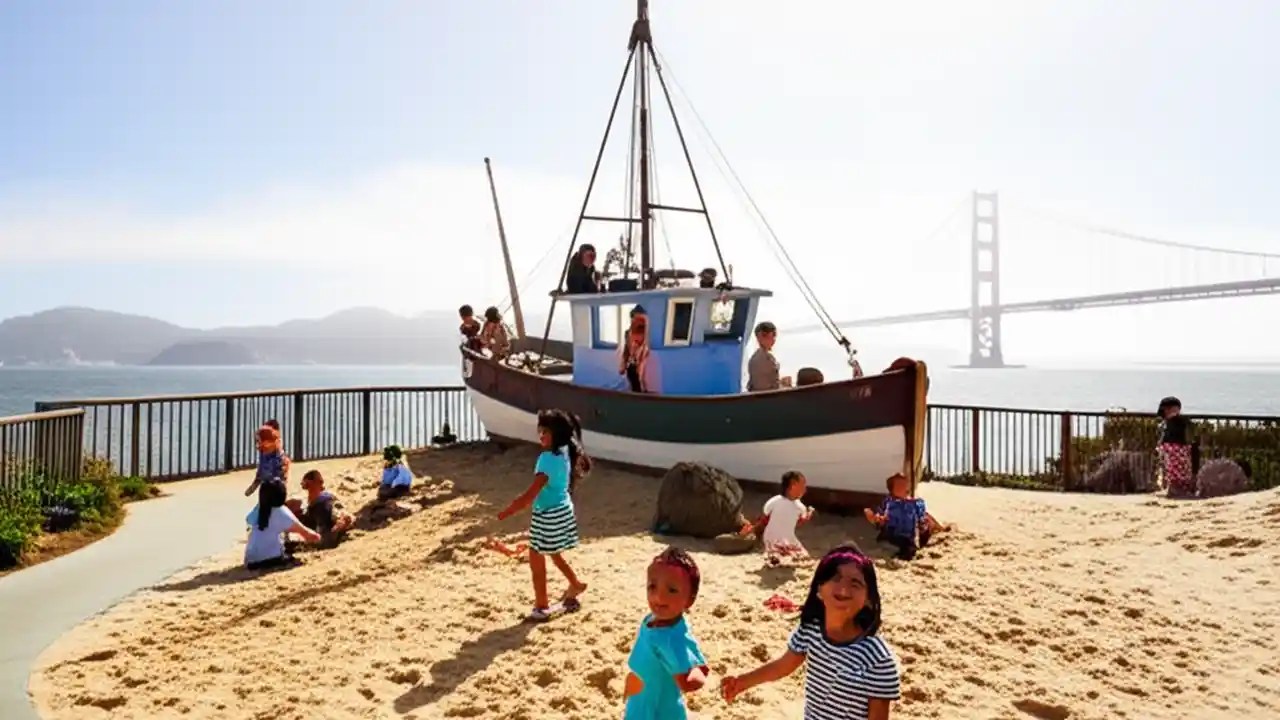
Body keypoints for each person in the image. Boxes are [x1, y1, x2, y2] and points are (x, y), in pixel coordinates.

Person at [720, 544, 901, 719]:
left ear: (869, 599)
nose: (844, 588)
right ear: (819, 589)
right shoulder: (812, 630)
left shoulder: (878, 658)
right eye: (836, 578)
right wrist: (742, 682)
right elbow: (783, 666)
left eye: (855, 583)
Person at [496, 409, 588, 622]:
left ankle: (541, 605)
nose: (541, 436)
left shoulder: (546, 460)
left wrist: (508, 511)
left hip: (548, 513)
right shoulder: (565, 451)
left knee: (536, 558)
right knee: (554, 552)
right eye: (540, 431)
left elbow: (531, 494)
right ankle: (575, 584)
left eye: (546, 432)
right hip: (563, 509)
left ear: (557, 435)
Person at [623, 547, 710, 719]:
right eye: (652, 586)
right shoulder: (655, 619)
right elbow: (690, 647)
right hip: (642, 692)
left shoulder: (669, 640)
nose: (659, 597)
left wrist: (697, 676)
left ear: (689, 600)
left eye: (671, 590)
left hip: (655, 704)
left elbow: (687, 681)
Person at [864, 473, 942, 561]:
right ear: (892, 489)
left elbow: (923, 519)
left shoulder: (915, 503)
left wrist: (924, 526)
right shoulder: (888, 503)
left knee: (910, 548)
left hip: (907, 539)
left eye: (905, 485)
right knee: (888, 542)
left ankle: (939, 529)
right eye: (900, 485)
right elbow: (881, 516)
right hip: (890, 536)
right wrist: (876, 519)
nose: (904, 488)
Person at [744, 471, 816, 565]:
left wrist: (808, 514)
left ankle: (776, 556)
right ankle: (776, 556)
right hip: (774, 537)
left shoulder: (799, 507)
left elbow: (797, 522)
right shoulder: (775, 502)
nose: (805, 490)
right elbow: (764, 520)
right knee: (790, 554)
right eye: (802, 486)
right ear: (793, 485)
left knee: (802, 556)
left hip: (785, 537)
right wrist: (752, 529)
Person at [285, 469, 354, 547]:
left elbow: (339, 512)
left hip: (326, 532)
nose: (322, 486)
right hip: (315, 529)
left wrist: (342, 521)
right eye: (320, 482)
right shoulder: (302, 502)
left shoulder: (326, 498)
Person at [244, 503, 321, 570]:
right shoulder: (280, 510)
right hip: (271, 559)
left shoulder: (259, 509)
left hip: (251, 561)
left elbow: (248, 520)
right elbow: (308, 534)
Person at [243, 425, 291, 531]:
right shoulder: (263, 454)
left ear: (269, 441)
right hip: (265, 492)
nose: (258, 444)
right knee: (254, 518)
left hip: (275, 491)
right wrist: (253, 487)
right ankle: (261, 527)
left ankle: (265, 528)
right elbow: (260, 474)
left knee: (271, 514)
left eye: (260, 441)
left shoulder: (278, 457)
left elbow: (281, 477)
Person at [1157, 396, 1194, 498]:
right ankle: (1174, 488)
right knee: (1174, 469)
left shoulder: (1176, 422)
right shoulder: (1176, 422)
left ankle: (1174, 489)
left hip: (1175, 448)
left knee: (1174, 469)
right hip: (1175, 448)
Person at [746, 321, 791, 392]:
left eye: (775, 335)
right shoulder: (761, 359)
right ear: (760, 337)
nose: (774, 339)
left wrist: (781, 382)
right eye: (772, 335)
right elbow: (763, 388)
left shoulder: (764, 356)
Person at [619, 312, 658, 393]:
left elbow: (645, 345)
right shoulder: (628, 333)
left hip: (638, 365)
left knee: (640, 382)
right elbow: (626, 350)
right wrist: (623, 363)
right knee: (634, 383)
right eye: (633, 320)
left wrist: (646, 320)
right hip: (632, 366)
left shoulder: (643, 337)